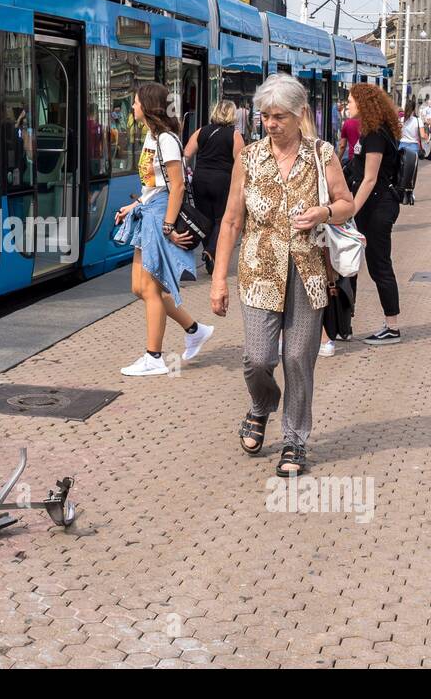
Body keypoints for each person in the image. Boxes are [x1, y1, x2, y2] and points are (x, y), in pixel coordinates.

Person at [209, 74, 355, 476]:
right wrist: (219, 278)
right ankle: (260, 406)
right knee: (258, 359)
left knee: (297, 358)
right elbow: (232, 220)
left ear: (299, 115)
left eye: (279, 117)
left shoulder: (321, 154)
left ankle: (294, 440)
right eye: (265, 116)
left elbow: (347, 204)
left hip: (308, 273)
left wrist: (324, 213)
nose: (270, 124)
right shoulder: (250, 157)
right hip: (258, 272)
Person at [113, 83, 212, 376]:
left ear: (147, 105)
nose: (132, 107)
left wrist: (168, 225)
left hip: (160, 217)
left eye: (135, 102)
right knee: (140, 287)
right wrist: (134, 207)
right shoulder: (151, 136)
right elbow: (154, 185)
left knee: (150, 288)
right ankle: (195, 330)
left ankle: (154, 357)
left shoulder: (167, 140)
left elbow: (177, 185)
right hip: (150, 211)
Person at [346, 84, 405, 345]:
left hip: (377, 206)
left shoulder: (374, 134)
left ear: (363, 103)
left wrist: (350, 210)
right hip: (374, 204)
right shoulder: (373, 131)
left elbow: (369, 179)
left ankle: (392, 327)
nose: (345, 105)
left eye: (350, 101)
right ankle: (343, 323)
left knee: (379, 264)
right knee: (355, 264)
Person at [183, 99, 245, 275]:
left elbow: (186, 154)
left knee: (204, 219)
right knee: (221, 219)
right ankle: (210, 251)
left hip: (200, 179)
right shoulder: (235, 135)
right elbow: (241, 163)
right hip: (223, 181)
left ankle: (211, 259)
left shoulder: (201, 131)